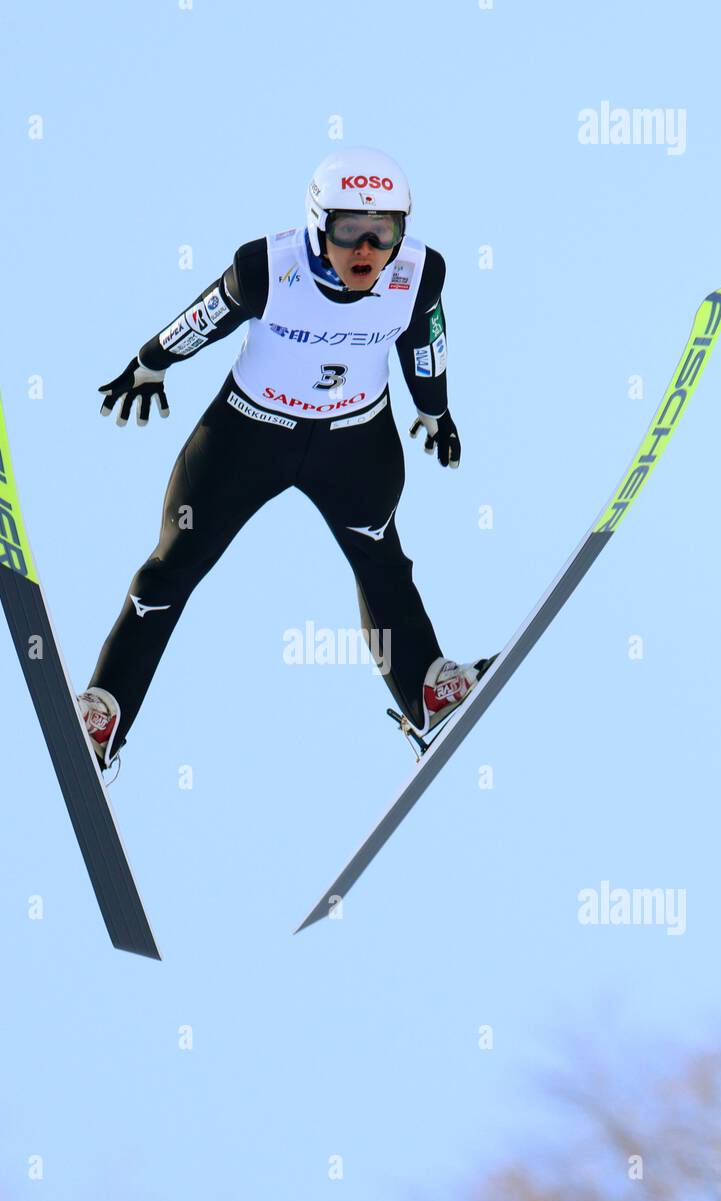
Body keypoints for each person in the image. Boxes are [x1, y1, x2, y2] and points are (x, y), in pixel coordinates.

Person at [78, 145, 493, 768]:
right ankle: (103, 714)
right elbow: (206, 316)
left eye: (384, 233)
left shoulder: (419, 271)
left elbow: (423, 341)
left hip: (354, 443)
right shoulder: (267, 268)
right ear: (317, 224)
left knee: (380, 562)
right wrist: (149, 363)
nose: (367, 251)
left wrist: (434, 410)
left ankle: (427, 691)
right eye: (350, 230)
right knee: (172, 566)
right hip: (246, 437)